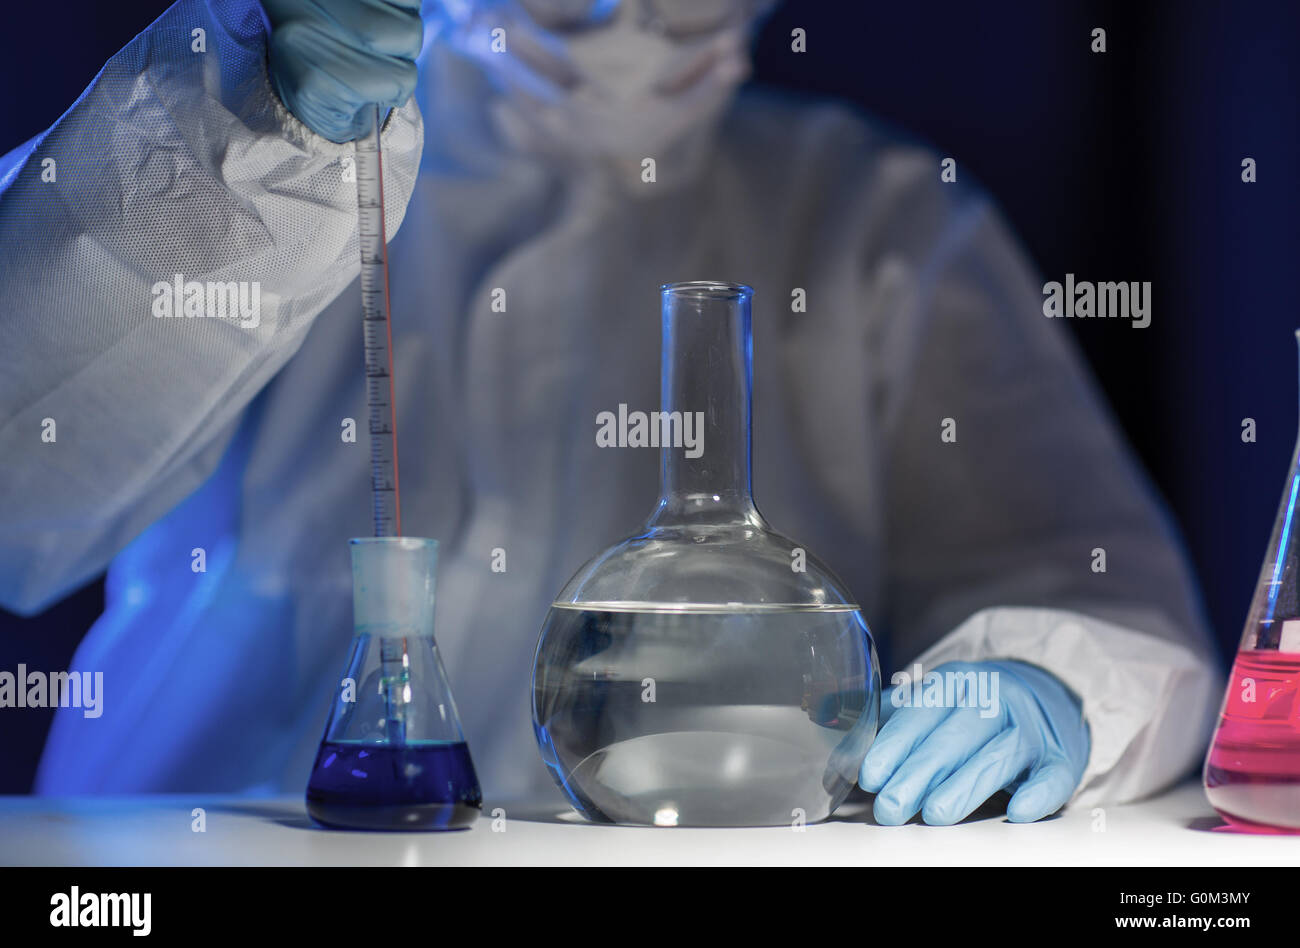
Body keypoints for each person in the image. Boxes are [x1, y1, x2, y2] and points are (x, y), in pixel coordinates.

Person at [0, 0, 1219, 824]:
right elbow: (17, 503)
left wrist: (1044, 677)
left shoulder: (879, 221)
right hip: (175, 849)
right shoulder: (253, 120)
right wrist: (239, 138)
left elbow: (1090, 579)